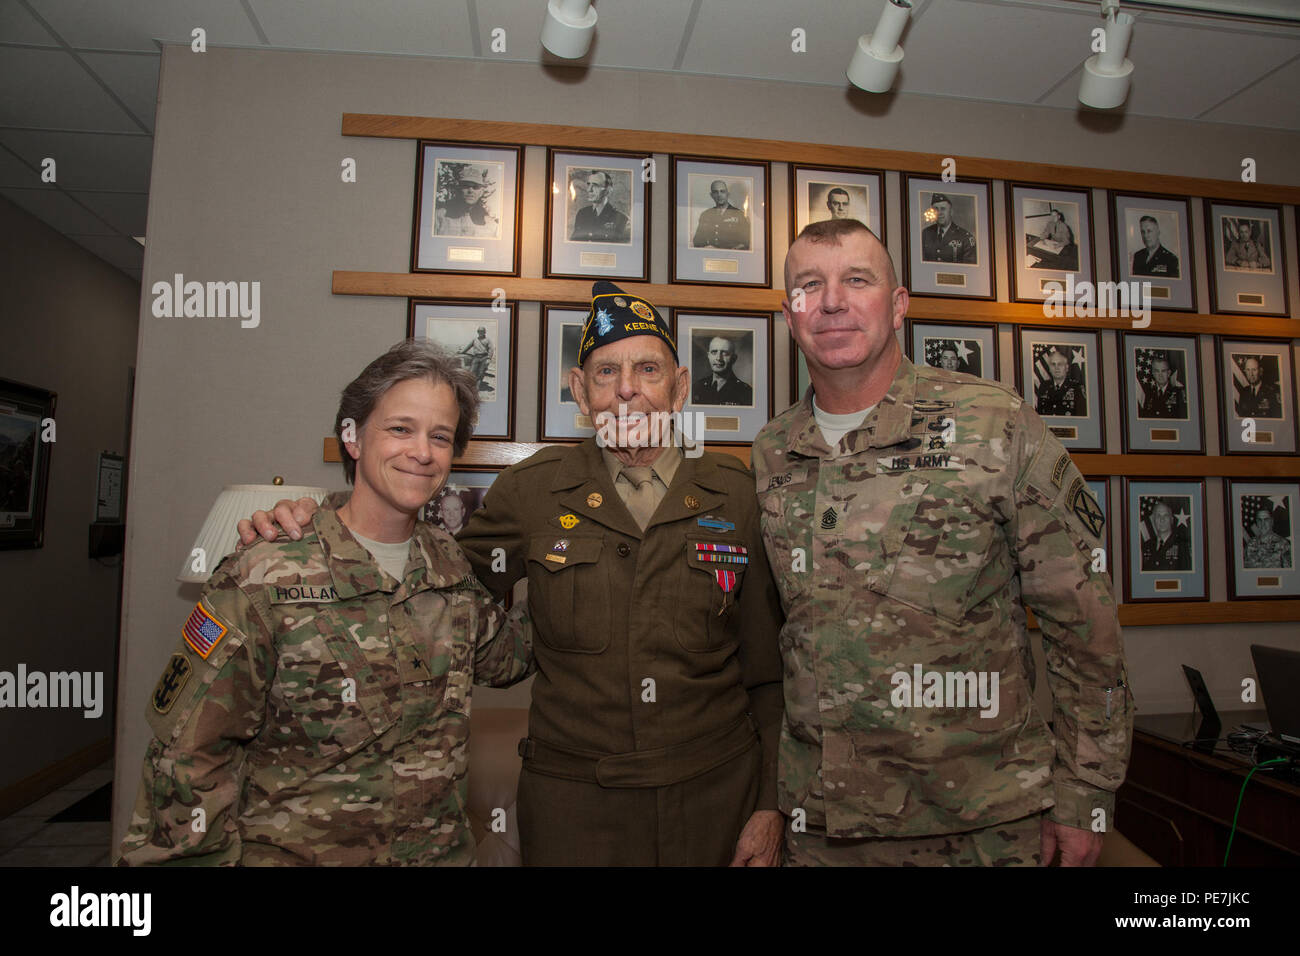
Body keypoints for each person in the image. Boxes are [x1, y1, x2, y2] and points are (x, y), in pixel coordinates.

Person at [239, 281, 785, 867]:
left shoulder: (737, 493)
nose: (627, 390)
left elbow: (768, 671)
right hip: (575, 811)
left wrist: (770, 803)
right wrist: (316, 525)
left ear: (679, 389)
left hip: (713, 800)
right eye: (605, 373)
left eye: (648, 369)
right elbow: (425, 573)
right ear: (580, 392)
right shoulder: (533, 490)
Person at [754, 217, 1130, 866]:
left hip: (977, 820)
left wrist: (1084, 796)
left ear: (898, 305)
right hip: (823, 822)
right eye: (809, 286)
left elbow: (1084, 623)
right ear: (789, 314)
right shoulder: (772, 453)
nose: (832, 301)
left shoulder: (993, 423)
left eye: (857, 280)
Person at [119, 341, 535, 866]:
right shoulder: (263, 573)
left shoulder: (447, 565)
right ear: (353, 436)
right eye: (400, 429)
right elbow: (188, 758)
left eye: (441, 437)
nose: (423, 452)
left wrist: (577, 565)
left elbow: (508, 658)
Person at [435, 168, 499, 238]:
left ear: (481, 192)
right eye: (465, 186)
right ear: (458, 189)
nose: (470, 190)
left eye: (475, 187)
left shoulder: (491, 225)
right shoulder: (439, 217)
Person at [570, 170, 630, 243]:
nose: (589, 190)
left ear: (608, 190)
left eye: (595, 185)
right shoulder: (582, 214)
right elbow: (574, 244)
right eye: (589, 184)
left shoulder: (621, 219)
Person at [693, 335, 754, 406]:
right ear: (708, 356)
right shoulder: (697, 387)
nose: (718, 358)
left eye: (725, 353)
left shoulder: (746, 392)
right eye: (714, 352)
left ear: (734, 358)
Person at [693, 180, 751, 250]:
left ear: (727, 194)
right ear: (711, 195)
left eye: (722, 191)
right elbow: (697, 241)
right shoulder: (705, 215)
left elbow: (747, 242)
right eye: (715, 192)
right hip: (711, 255)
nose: (719, 195)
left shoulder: (739, 215)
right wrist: (706, 247)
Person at [920, 193, 976, 264]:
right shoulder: (925, 234)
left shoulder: (965, 238)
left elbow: (969, 269)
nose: (939, 213)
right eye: (936, 209)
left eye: (943, 209)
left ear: (951, 212)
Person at [1035, 347, 1087, 417]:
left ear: (1067, 367)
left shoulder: (1076, 388)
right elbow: (1039, 416)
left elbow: (1082, 417)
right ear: (1049, 368)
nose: (1056, 368)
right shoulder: (1044, 387)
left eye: (1060, 364)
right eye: (1053, 364)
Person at [1141, 501, 1191, 572]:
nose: (1162, 519)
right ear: (1153, 521)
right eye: (1158, 516)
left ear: (1172, 520)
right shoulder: (1146, 546)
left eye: (1166, 515)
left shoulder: (1182, 544)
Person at [1138, 354, 1187, 420]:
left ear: (1169, 373)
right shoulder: (1148, 393)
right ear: (1153, 373)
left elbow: (1183, 418)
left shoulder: (1178, 393)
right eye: (1157, 371)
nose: (1160, 375)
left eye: (1163, 371)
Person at [460, 326, 494, 392]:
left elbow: (491, 349)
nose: (480, 332)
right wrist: (461, 352)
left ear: (485, 332)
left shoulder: (488, 340)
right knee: (471, 372)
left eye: (482, 331)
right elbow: (468, 346)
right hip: (476, 357)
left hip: (484, 357)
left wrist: (489, 358)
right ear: (477, 332)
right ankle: (469, 386)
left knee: (480, 373)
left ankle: (477, 387)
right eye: (479, 331)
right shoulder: (475, 339)